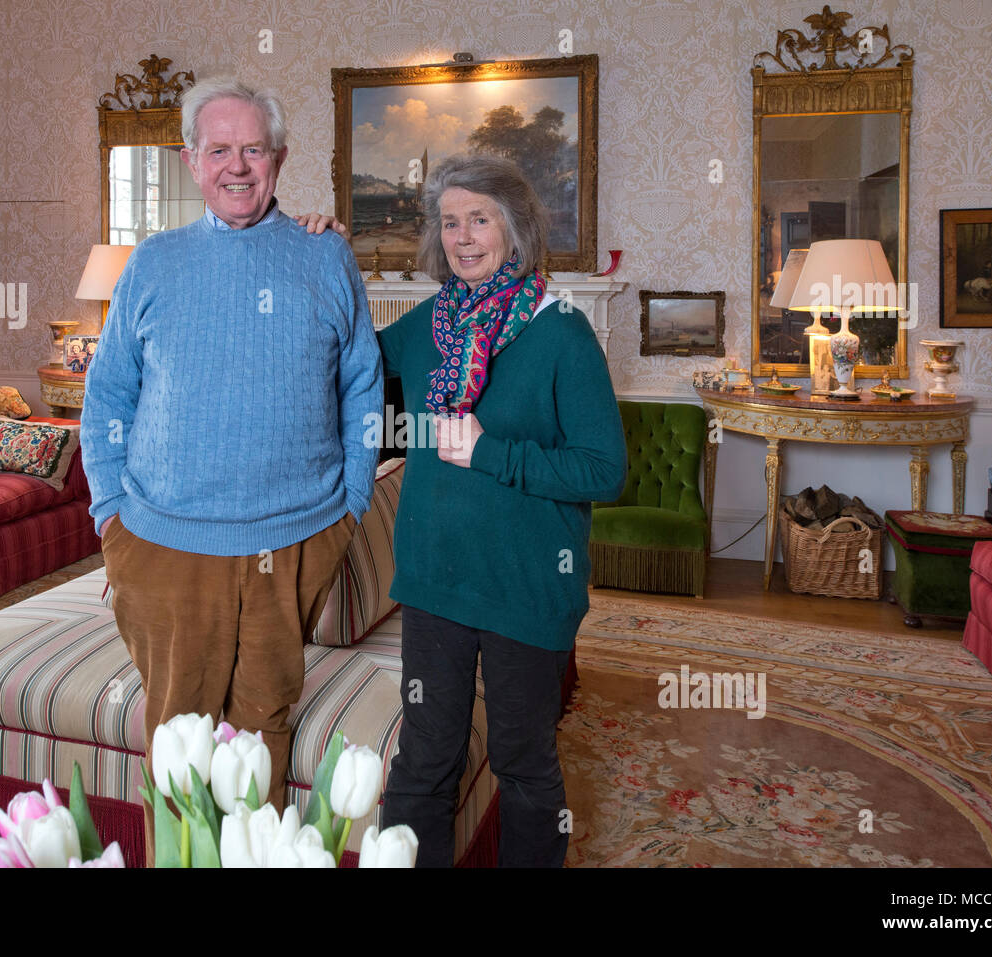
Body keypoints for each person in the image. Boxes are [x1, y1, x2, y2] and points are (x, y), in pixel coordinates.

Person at [82, 76, 382, 862]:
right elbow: (107, 392)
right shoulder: (152, 263)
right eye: (219, 149)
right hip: (163, 547)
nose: (237, 166)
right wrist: (111, 511)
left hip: (294, 543)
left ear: (280, 158)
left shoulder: (325, 255)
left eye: (254, 148)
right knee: (178, 751)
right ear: (191, 160)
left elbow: (363, 387)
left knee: (263, 742)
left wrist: (349, 505)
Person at [377, 154, 627, 867]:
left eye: (478, 218)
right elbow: (349, 362)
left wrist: (493, 452)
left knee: (523, 765)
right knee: (424, 762)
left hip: (525, 584)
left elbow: (605, 470)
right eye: (450, 221)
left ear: (514, 229)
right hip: (433, 581)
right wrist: (319, 252)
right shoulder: (427, 325)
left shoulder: (562, 333)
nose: (462, 236)